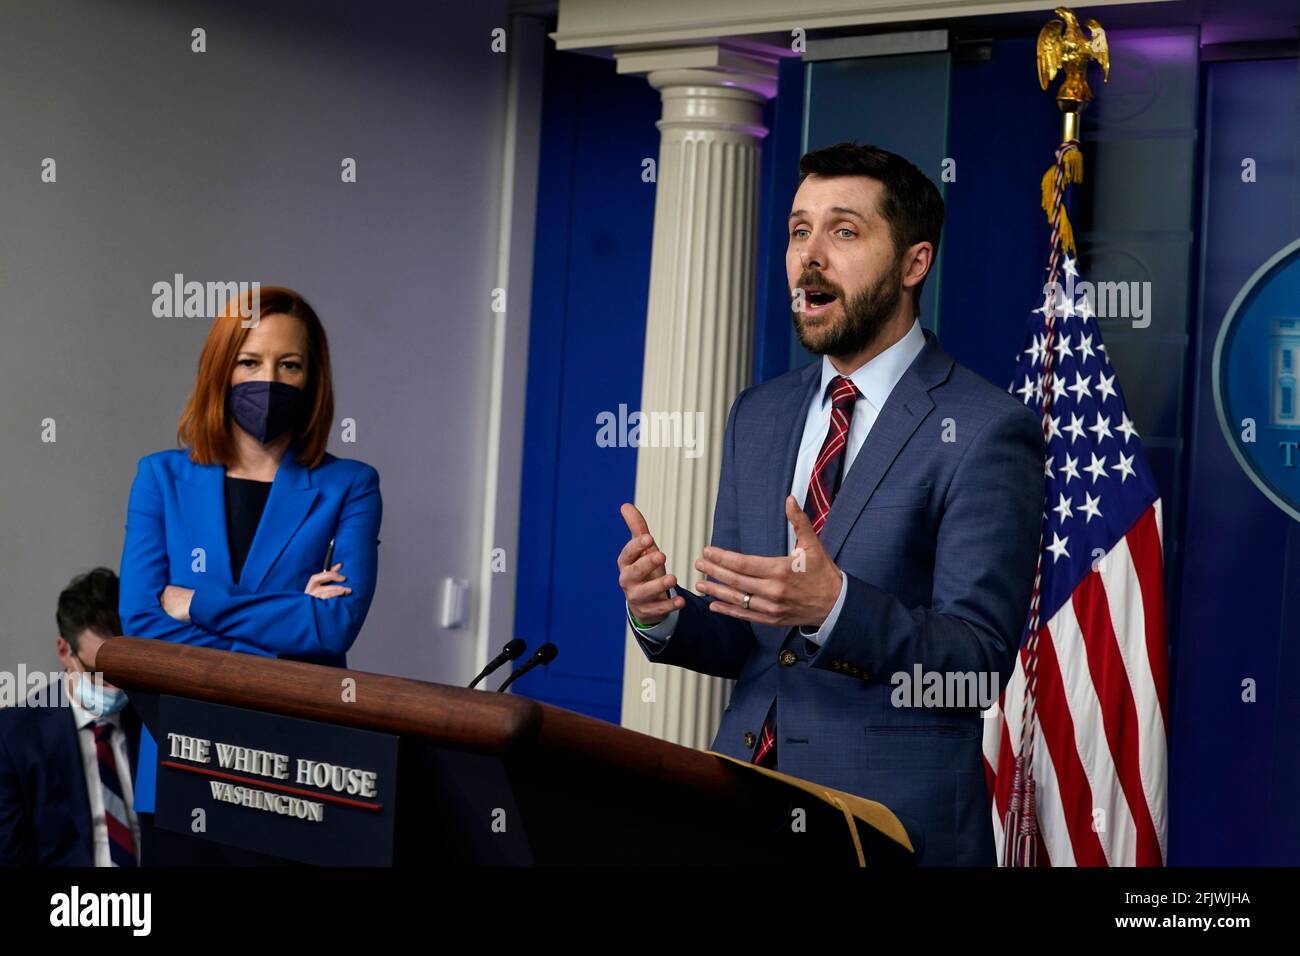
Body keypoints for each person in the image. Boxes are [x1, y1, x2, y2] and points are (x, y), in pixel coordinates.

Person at [617, 142, 1044, 866]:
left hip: (887, 829)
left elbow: (976, 662)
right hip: (742, 803)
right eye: (799, 230)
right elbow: (752, 638)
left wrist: (836, 607)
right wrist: (662, 614)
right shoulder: (758, 413)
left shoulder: (985, 428)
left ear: (914, 263)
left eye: (844, 231)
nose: (809, 256)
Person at [115, 286, 382, 814]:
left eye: (290, 365)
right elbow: (142, 624)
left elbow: (334, 626)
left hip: (298, 765)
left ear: (313, 379)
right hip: (182, 752)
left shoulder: (351, 485)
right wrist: (287, 629)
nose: (269, 380)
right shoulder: (160, 477)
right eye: (249, 361)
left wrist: (195, 603)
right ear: (221, 370)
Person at [0, 568, 145, 866]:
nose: (115, 687)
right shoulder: (14, 738)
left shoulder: (155, 724)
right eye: (98, 672)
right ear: (64, 651)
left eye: (125, 670)